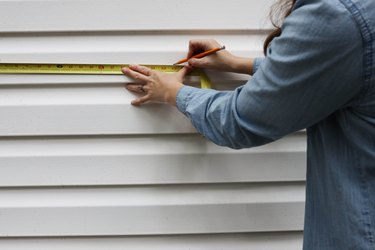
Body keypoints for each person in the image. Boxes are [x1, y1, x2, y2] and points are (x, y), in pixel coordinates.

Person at [122, 0, 375, 249]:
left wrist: (172, 92)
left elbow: (239, 119)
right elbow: (341, 65)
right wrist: (237, 64)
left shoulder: (339, 14)